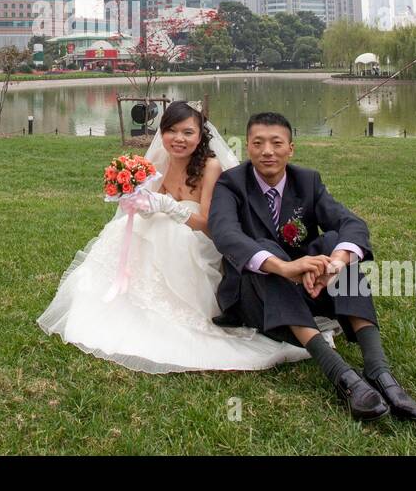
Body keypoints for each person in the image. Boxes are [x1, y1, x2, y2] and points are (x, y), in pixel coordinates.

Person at [37, 101, 314, 373]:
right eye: (171, 131)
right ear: (162, 133)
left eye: (187, 132)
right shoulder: (156, 164)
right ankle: (130, 303)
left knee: (168, 231)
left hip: (199, 240)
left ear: (200, 136)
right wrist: (139, 205)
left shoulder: (210, 166)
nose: (178, 139)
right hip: (161, 233)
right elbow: (149, 206)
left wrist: (169, 207)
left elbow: (210, 225)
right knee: (128, 229)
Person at [206, 112, 416, 423]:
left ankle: (378, 370)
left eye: (276, 143)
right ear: (248, 147)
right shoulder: (231, 183)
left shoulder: (307, 180)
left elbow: (351, 222)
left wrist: (335, 263)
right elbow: (225, 233)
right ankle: (342, 376)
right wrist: (284, 267)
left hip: (312, 288)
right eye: (258, 143)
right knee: (266, 251)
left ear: (291, 148)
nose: (267, 151)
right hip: (255, 297)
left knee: (339, 244)